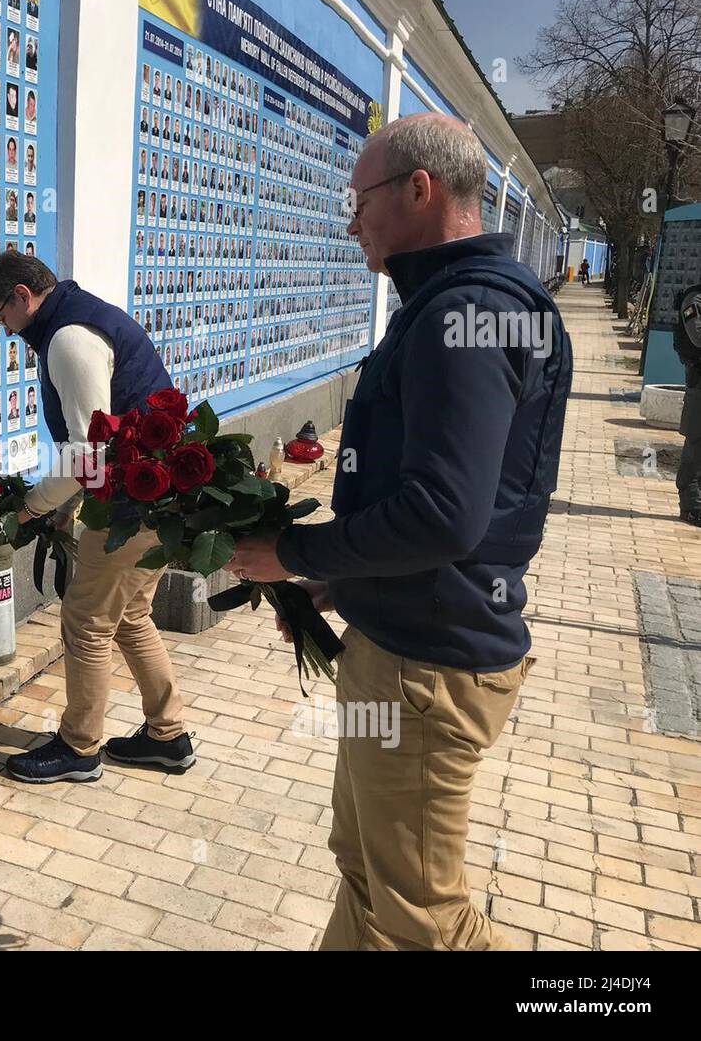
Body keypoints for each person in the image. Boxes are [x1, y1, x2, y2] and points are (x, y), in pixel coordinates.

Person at [226, 113, 573, 951]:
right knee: (365, 864)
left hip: (428, 664)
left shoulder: (468, 315)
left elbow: (443, 515)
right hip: (402, 641)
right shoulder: (453, 307)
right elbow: (448, 501)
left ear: (420, 190)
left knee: (424, 913)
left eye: (361, 201)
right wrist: (341, 580)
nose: (353, 222)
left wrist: (295, 551)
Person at [0, 251, 190, 783]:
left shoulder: (69, 339)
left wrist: (31, 507)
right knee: (131, 615)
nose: (5, 331)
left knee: (87, 621)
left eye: (2, 316)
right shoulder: (82, 315)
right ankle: (169, 735)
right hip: (152, 499)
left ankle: (79, 748)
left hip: (129, 506)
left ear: (23, 297)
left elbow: (88, 451)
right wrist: (67, 500)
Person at [676, 289, 701, 527]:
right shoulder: (694, 300)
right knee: (696, 442)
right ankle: (691, 506)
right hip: (699, 383)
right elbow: (697, 336)